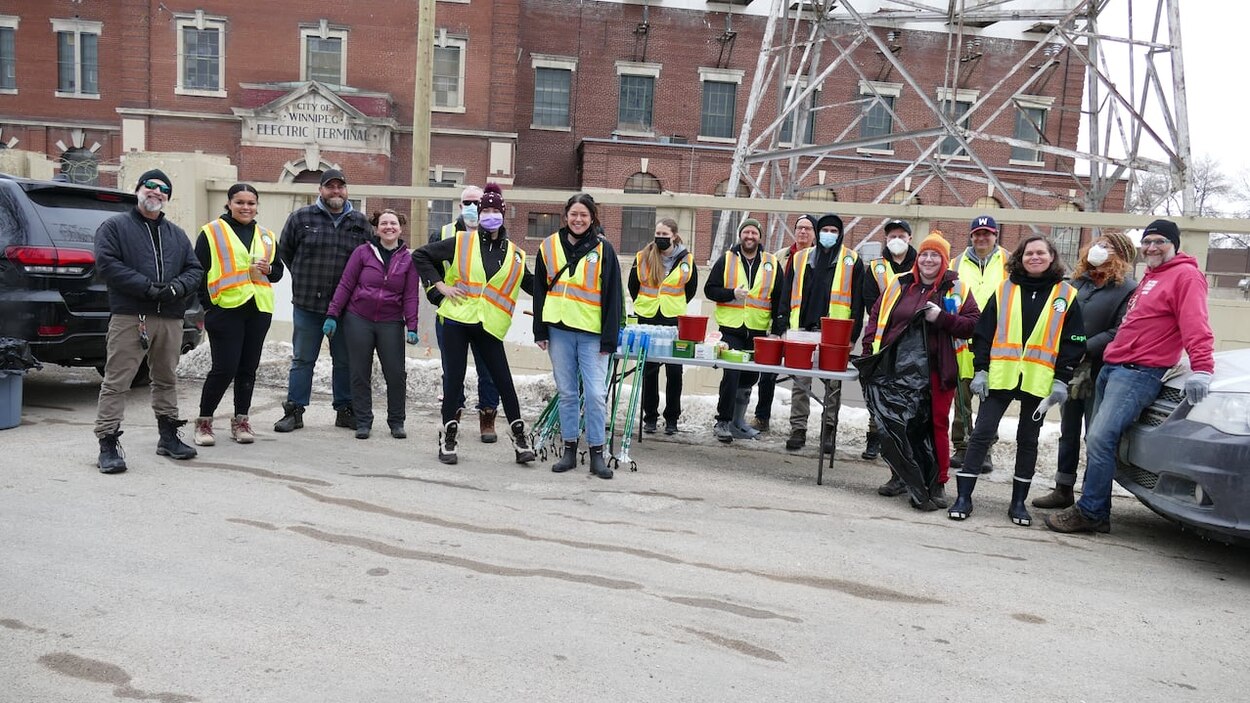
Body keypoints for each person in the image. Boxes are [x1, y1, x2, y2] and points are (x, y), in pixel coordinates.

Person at [1047, 220, 1215, 534]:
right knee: (1099, 438)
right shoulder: (1152, 276)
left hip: (1137, 373)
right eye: (1147, 241)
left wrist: (1202, 368)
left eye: (1160, 241)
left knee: (1099, 437)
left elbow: (1197, 325)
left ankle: (1092, 511)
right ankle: (1093, 506)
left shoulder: (1186, 276)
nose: (1151, 247)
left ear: (1174, 244)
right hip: (1113, 368)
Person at [947, 235, 1085, 526]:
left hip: (1038, 380)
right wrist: (981, 369)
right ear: (1020, 258)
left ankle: (1018, 502)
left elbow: (1073, 343)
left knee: (1028, 440)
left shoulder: (1066, 295)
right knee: (981, 434)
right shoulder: (1005, 289)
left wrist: (1062, 380)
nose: (1034, 258)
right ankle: (963, 497)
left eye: (1040, 253)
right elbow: (983, 333)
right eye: (1028, 253)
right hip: (1000, 375)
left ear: (1052, 257)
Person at [414, 183, 537, 465]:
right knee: (453, 380)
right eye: (486, 210)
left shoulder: (516, 254)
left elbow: (531, 285)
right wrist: (439, 286)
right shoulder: (461, 241)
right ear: (479, 214)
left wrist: (554, 290)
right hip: (457, 319)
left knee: (504, 381)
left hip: (489, 326)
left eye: (496, 210)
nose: (490, 215)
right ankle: (448, 437)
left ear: (504, 215)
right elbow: (420, 255)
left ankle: (519, 438)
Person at [93, 169, 204, 473]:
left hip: (169, 316)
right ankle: (107, 443)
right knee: (117, 381)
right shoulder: (115, 227)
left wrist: (176, 288)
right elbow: (107, 264)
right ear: (138, 189)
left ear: (167, 197)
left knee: (166, 378)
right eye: (150, 187)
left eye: (163, 190)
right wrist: (145, 287)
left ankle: (168, 436)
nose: (156, 192)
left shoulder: (177, 235)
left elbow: (195, 270)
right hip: (131, 314)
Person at [862, 232, 979, 508]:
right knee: (898, 424)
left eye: (935, 255)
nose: (928, 259)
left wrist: (942, 318)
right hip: (897, 369)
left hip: (939, 370)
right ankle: (900, 476)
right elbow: (876, 319)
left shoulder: (956, 287)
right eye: (925, 253)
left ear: (943, 260)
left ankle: (937, 483)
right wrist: (870, 352)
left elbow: (973, 324)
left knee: (936, 425)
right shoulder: (899, 285)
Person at [1032, 231, 1138, 509]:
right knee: (1068, 430)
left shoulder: (1127, 289)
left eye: (1108, 246)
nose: (1099, 249)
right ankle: (1062, 488)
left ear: (1122, 256)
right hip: (1069, 369)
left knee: (1095, 436)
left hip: (1100, 371)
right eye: (1098, 244)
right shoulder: (1078, 282)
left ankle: (1092, 498)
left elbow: (1119, 330)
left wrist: (1084, 348)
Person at [273, 169, 373, 433]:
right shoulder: (300, 218)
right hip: (308, 305)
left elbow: (368, 260)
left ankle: (345, 410)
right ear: (321, 190)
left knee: (345, 361)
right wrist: (304, 276)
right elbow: (286, 251)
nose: (336, 191)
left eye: (341, 187)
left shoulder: (360, 222)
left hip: (345, 309)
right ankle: (294, 410)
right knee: (303, 360)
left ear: (347, 190)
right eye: (331, 187)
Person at [534, 193, 625, 479]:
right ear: (566, 216)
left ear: (592, 218)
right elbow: (539, 291)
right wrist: (540, 329)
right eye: (574, 214)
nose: (578, 219)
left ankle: (597, 453)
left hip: (592, 335)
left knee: (596, 395)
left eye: (584, 215)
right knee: (568, 393)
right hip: (558, 331)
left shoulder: (604, 249)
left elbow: (613, 298)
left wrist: (609, 339)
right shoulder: (548, 246)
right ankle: (570, 449)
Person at [192, 183, 285, 447]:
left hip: (258, 309)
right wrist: (208, 306)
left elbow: (278, 272)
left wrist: (269, 269)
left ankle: (241, 420)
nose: (246, 207)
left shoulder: (266, 235)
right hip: (225, 309)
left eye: (251, 203)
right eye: (240, 202)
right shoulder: (212, 232)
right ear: (229, 204)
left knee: (248, 369)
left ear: (257, 206)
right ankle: (204, 422)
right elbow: (197, 271)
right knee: (224, 368)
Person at [774, 212, 866, 453]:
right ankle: (798, 429)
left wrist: (853, 335)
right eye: (824, 230)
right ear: (818, 232)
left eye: (833, 231)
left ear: (840, 234)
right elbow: (785, 293)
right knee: (800, 382)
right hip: (801, 330)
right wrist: (782, 325)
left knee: (832, 384)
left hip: (835, 334)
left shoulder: (852, 260)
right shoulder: (800, 258)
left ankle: (828, 430)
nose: (828, 235)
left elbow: (857, 302)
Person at [324, 209, 420, 440]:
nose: (389, 227)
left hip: (391, 321)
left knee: (396, 373)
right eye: (384, 223)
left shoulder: (408, 258)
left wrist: (413, 326)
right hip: (359, 318)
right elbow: (346, 284)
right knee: (359, 372)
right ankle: (363, 421)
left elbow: (410, 296)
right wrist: (332, 314)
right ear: (376, 228)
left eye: (393, 223)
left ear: (400, 227)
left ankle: (396, 421)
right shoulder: (362, 253)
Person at [704, 218, 785, 443]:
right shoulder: (727, 259)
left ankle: (738, 422)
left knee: (750, 376)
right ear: (741, 235)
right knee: (731, 374)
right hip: (731, 328)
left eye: (754, 233)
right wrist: (731, 293)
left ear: (760, 237)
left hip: (758, 329)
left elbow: (780, 298)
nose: (750, 237)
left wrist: (777, 329)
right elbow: (709, 290)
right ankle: (723, 421)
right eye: (746, 232)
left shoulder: (771, 263)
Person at [431, 184, 501, 442]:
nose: (473, 207)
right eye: (468, 203)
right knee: (452, 370)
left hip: (485, 317)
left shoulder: (495, 235)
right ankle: (453, 415)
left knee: (489, 369)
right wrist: (440, 295)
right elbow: (429, 269)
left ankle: (488, 416)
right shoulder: (444, 234)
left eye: (477, 203)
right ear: (460, 207)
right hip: (453, 315)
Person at [949, 215, 1011, 473]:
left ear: (995, 235)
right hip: (964, 338)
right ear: (971, 236)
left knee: (990, 397)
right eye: (977, 233)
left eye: (987, 233)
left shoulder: (1010, 262)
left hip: (997, 340)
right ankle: (962, 447)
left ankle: (984, 448)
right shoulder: (956, 263)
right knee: (961, 397)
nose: (982, 238)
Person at [628, 218, 698, 435]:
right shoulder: (642, 257)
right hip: (647, 317)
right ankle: (650, 417)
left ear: (674, 236)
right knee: (649, 369)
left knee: (675, 370)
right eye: (657, 234)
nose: (660, 238)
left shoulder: (686, 259)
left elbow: (691, 289)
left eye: (665, 235)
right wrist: (646, 305)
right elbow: (633, 285)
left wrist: (672, 304)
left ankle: (672, 418)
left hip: (673, 318)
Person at [859, 218, 918, 460]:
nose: (896, 240)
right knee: (878, 391)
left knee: (907, 395)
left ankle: (903, 443)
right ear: (886, 238)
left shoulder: (920, 264)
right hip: (882, 340)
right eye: (892, 236)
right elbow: (870, 302)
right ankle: (875, 438)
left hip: (912, 341)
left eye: (901, 236)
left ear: (910, 239)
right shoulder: (875, 267)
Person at [752, 214, 815, 433]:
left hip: (802, 325)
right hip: (776, 321)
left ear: (814, 233)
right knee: (767, 373)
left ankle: (798, 427)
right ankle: (762, 417)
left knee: (801, 378)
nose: (803, 232)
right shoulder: (780, 256)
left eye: (808, 228)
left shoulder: (817, 258)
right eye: (799, 228)